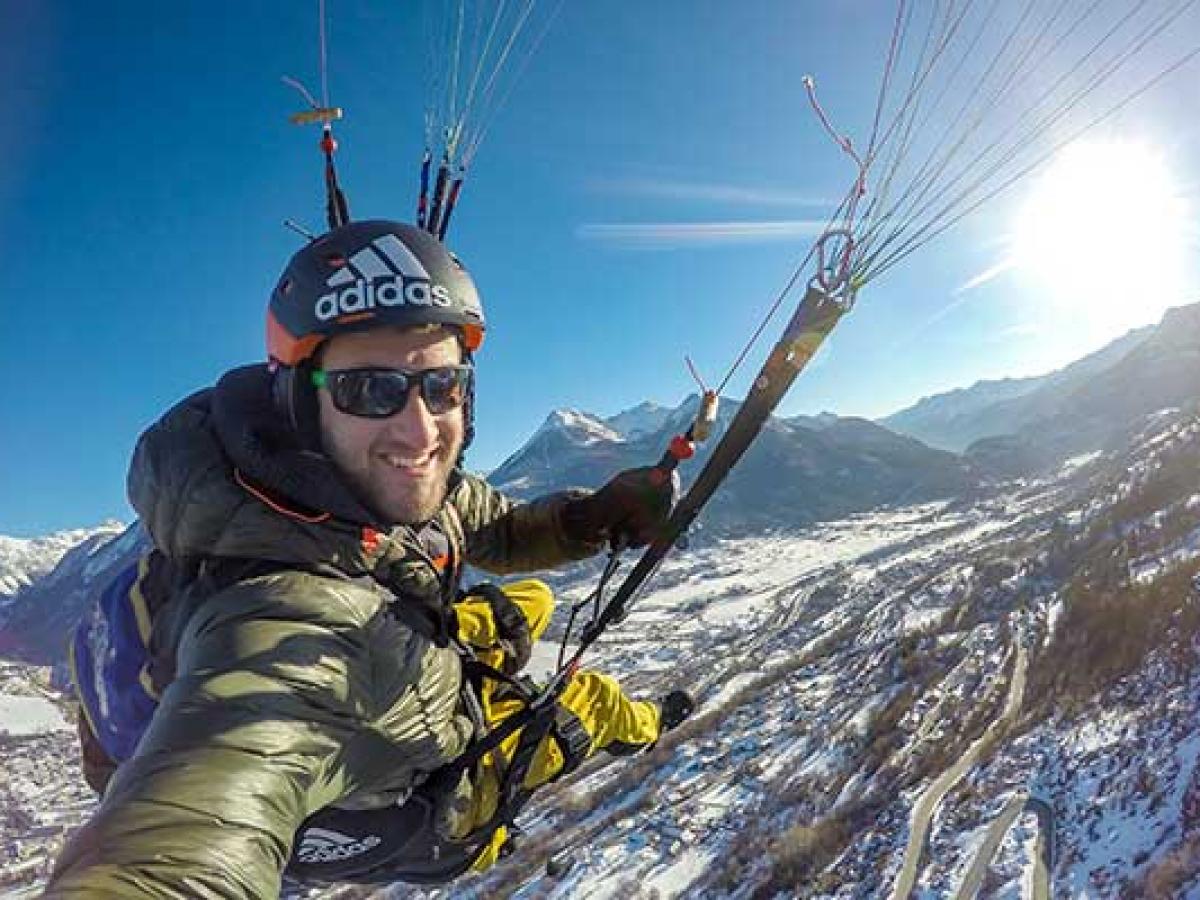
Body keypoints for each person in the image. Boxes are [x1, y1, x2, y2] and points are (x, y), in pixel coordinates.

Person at [47, 219, 694, 897]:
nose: (418, 430)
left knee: (527, 603)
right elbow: (185, 832)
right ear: (301, 397)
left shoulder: (365, 487)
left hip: (408, 676)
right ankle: (649, 725)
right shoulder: (286, 625)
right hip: (424, 804)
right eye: (370, 390)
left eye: (441, 386)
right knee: (589, 697)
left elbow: (496, 531)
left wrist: (589, 520)